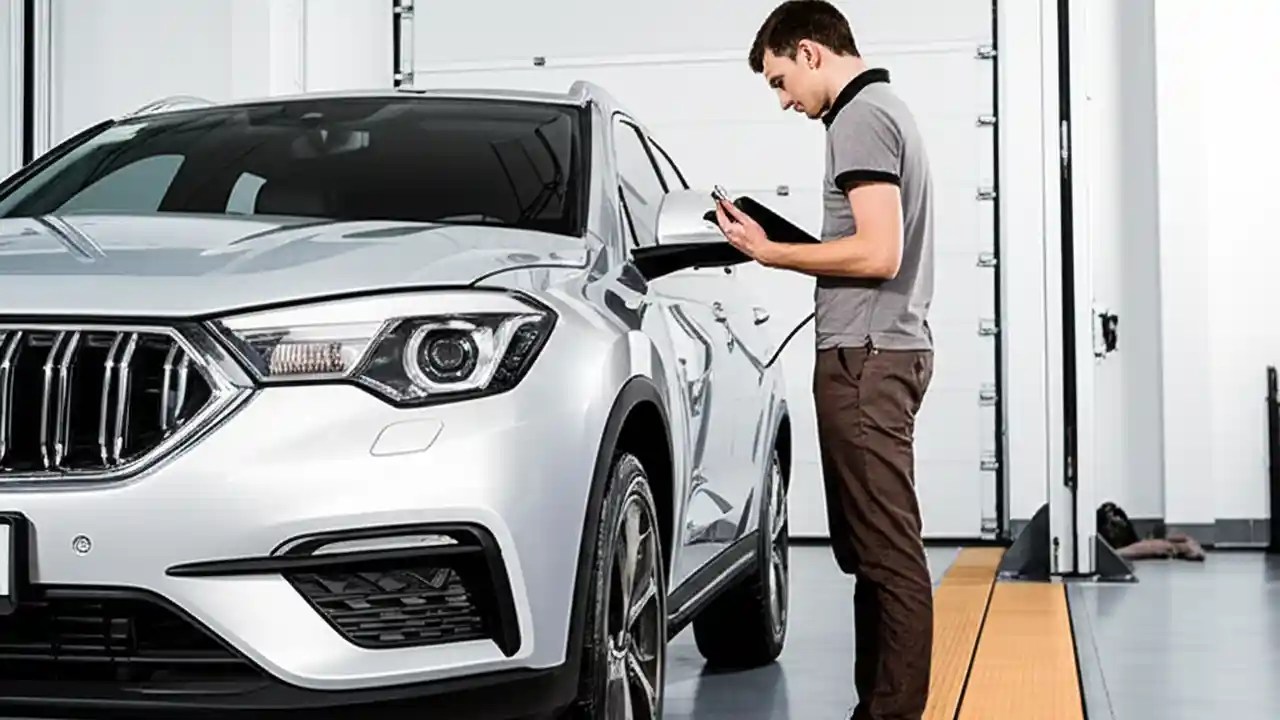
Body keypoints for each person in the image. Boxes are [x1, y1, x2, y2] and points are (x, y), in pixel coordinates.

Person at [713, 2, 936, 718]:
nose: (784, 101)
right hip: (875, 353)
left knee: (888, 558)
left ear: (810, 52)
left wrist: (771, 252)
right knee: (870, 555)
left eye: (781, 80)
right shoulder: (880, 109)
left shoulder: (860, 116)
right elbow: (869, 242)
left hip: (867, 360)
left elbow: (878, 252)